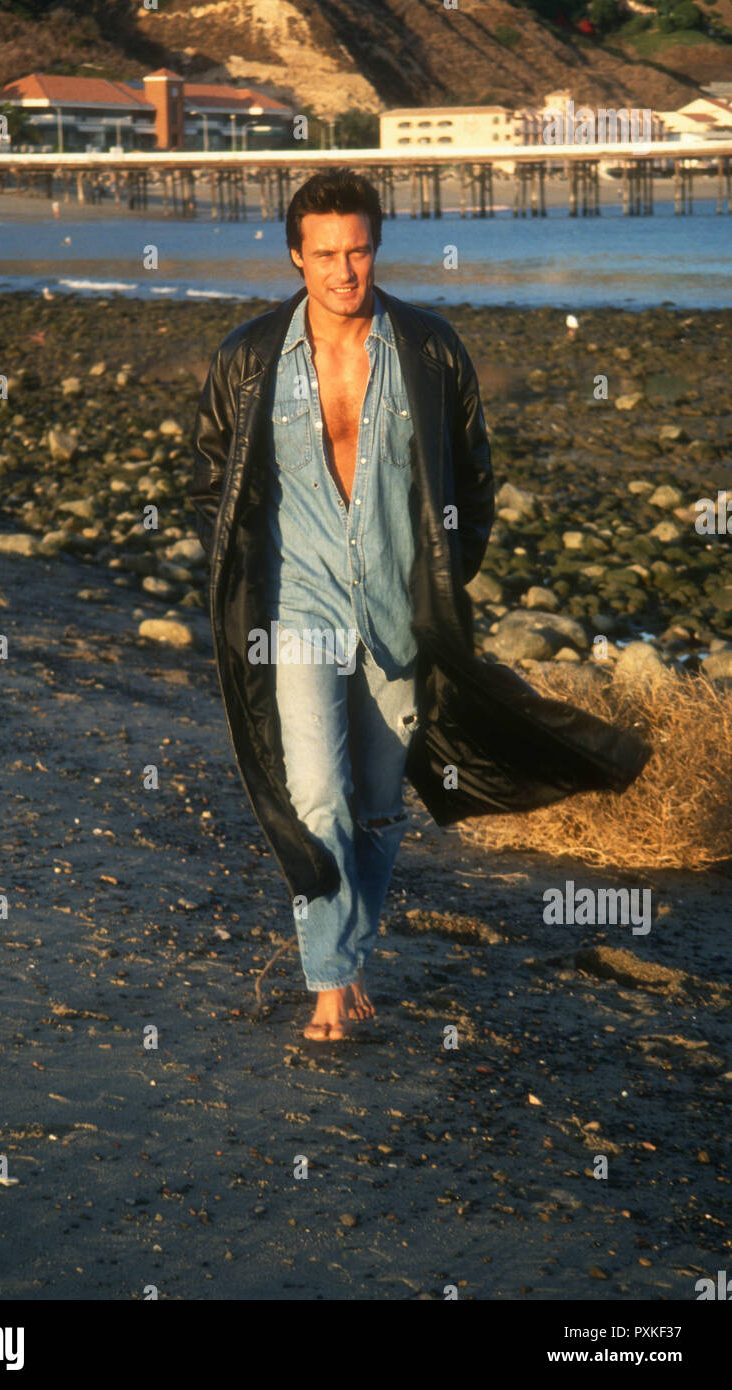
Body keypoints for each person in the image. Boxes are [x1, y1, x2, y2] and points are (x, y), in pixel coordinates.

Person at [191, 168, 650, 1042]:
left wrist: (446, 580)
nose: (343, 271)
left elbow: (473, 478)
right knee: (315, 793)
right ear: (294, 256)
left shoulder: (428, 350)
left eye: (357, 250)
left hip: (399, 609)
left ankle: (350, 956)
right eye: (324, 254)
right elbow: (212, 479)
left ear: (376, 248)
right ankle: (330, 978)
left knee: (376, 804)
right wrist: (239, 582)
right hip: (297, 604)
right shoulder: (248, 359)